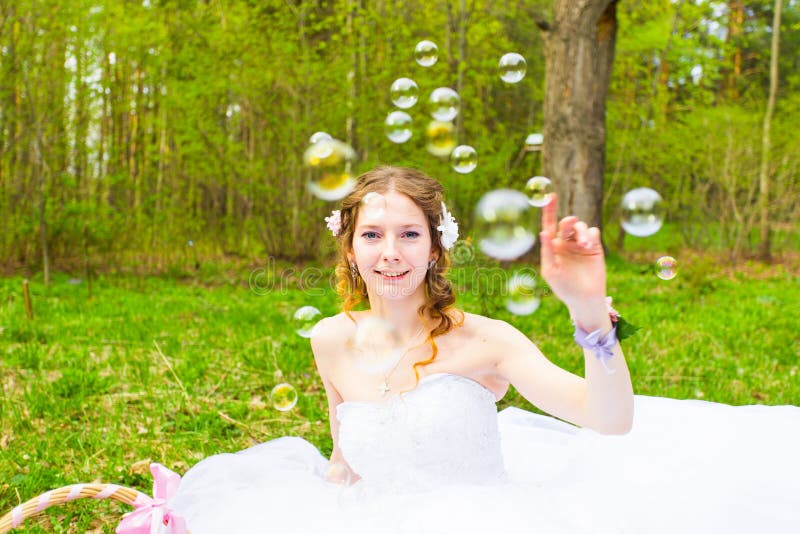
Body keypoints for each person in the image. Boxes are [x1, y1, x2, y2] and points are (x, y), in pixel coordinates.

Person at [169, 166, 800, 534]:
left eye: (410, 234)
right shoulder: (331, 338)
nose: (391, 253)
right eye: (373, 234)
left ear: (436, 249)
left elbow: (610, 420)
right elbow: (345, 452)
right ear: (350, 247)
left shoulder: (485, 341)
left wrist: (589, 313)